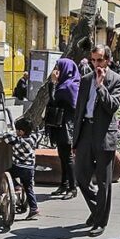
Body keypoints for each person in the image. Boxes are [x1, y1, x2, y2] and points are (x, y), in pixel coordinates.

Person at [72, 44, 120, 237]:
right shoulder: (85, 79)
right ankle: (97, 210)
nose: (96, 64)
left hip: (104, 134)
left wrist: (101, 86)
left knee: (103, 181)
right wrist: (75, 140)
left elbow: (112, 106)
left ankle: (100, 221)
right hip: (85, 131)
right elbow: (79, 111)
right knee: (80, 176)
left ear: (108, 60)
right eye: (93, 60)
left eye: (100, 60)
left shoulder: (117, 80)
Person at [46, 58, 80, 200]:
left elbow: (54, 100)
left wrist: (53, 83)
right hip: (61, 125)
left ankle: (72, 187)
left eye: (59, 68)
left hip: (66, 126)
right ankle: (64, 184)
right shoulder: (65, 84)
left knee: (68, 157)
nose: (56, 71)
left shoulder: (68, 86)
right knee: (63, 156)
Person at [4, 118, 43, 220]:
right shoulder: (34, 138)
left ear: (21, 131)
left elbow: (6, 137)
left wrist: (10, 132)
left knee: (8, 173)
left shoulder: (17, 141)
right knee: (29, 188)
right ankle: (34, 209)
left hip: (18, 167)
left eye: (17, 130)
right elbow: (39, 134)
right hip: (30, 169)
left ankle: (16, 186)